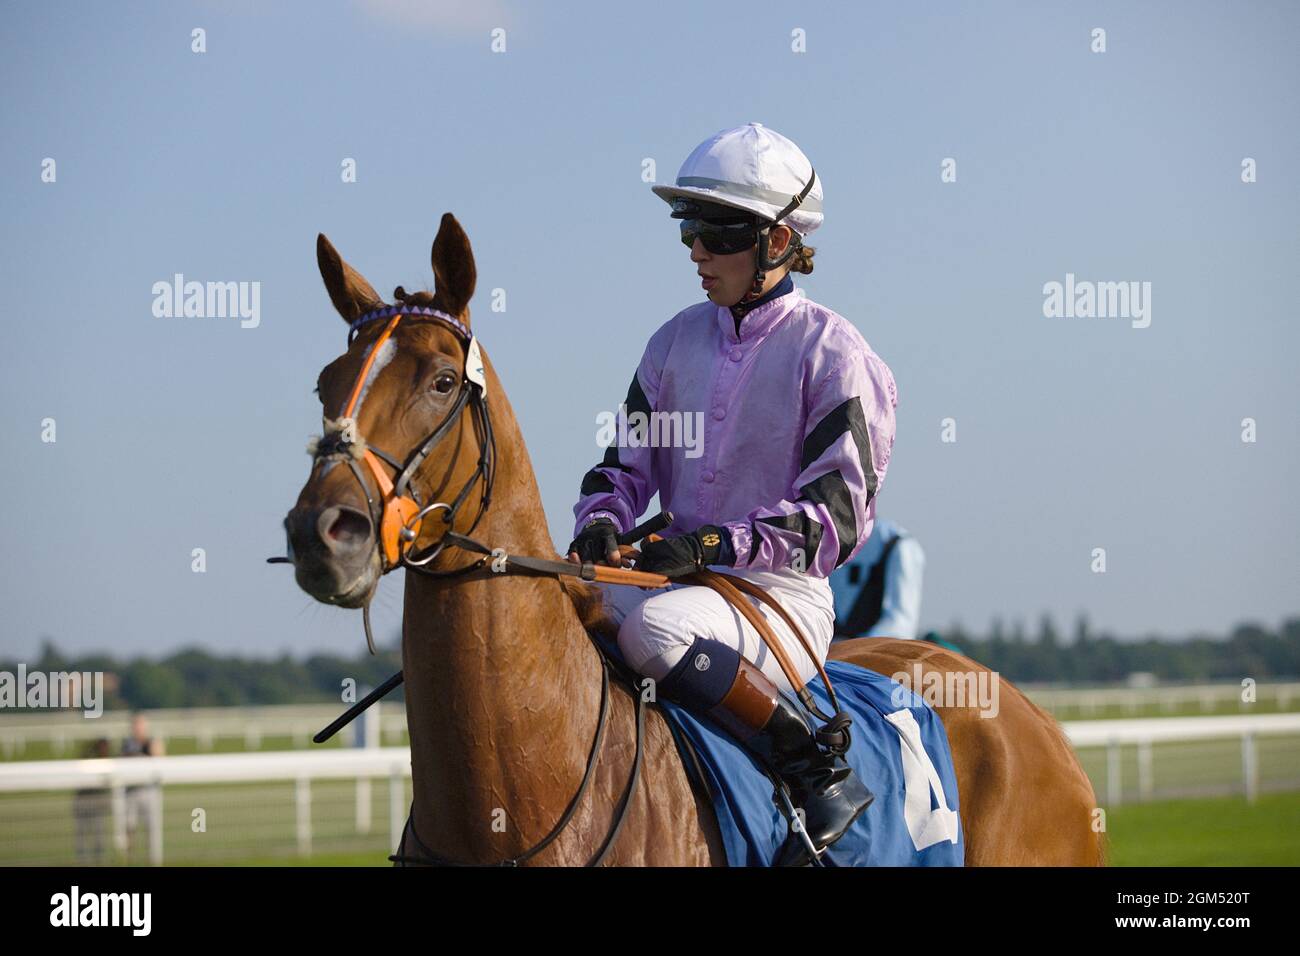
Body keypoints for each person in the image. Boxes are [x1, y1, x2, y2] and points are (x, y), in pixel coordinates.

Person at [567, 123, 898, 864]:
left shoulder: (836, 354)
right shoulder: (672, 342)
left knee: (656, 636)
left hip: (778, 596)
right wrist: (600, 524)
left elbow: (833, 522)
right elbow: (623, 466)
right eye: (689, 228)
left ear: (779, 243)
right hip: (672, 579)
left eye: (716, 232)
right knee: (550, 605)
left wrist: (715, 544)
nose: (696, 249)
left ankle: (817, 764)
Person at [829, 518, 925, 639]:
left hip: (872, 653)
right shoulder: (816, 541)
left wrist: (852, 649)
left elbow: (900, 623)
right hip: (822, 653)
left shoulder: (898, 544)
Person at [121, 713, 164, 860]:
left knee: (152, 829)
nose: (138, 728)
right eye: (136, 725)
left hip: (149, 791)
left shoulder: (151, 742)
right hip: (131, 791)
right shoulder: (126, 744)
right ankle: (128, 860)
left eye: (141, 725)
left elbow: (160, 758)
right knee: (128, 827)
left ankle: (154, 860)